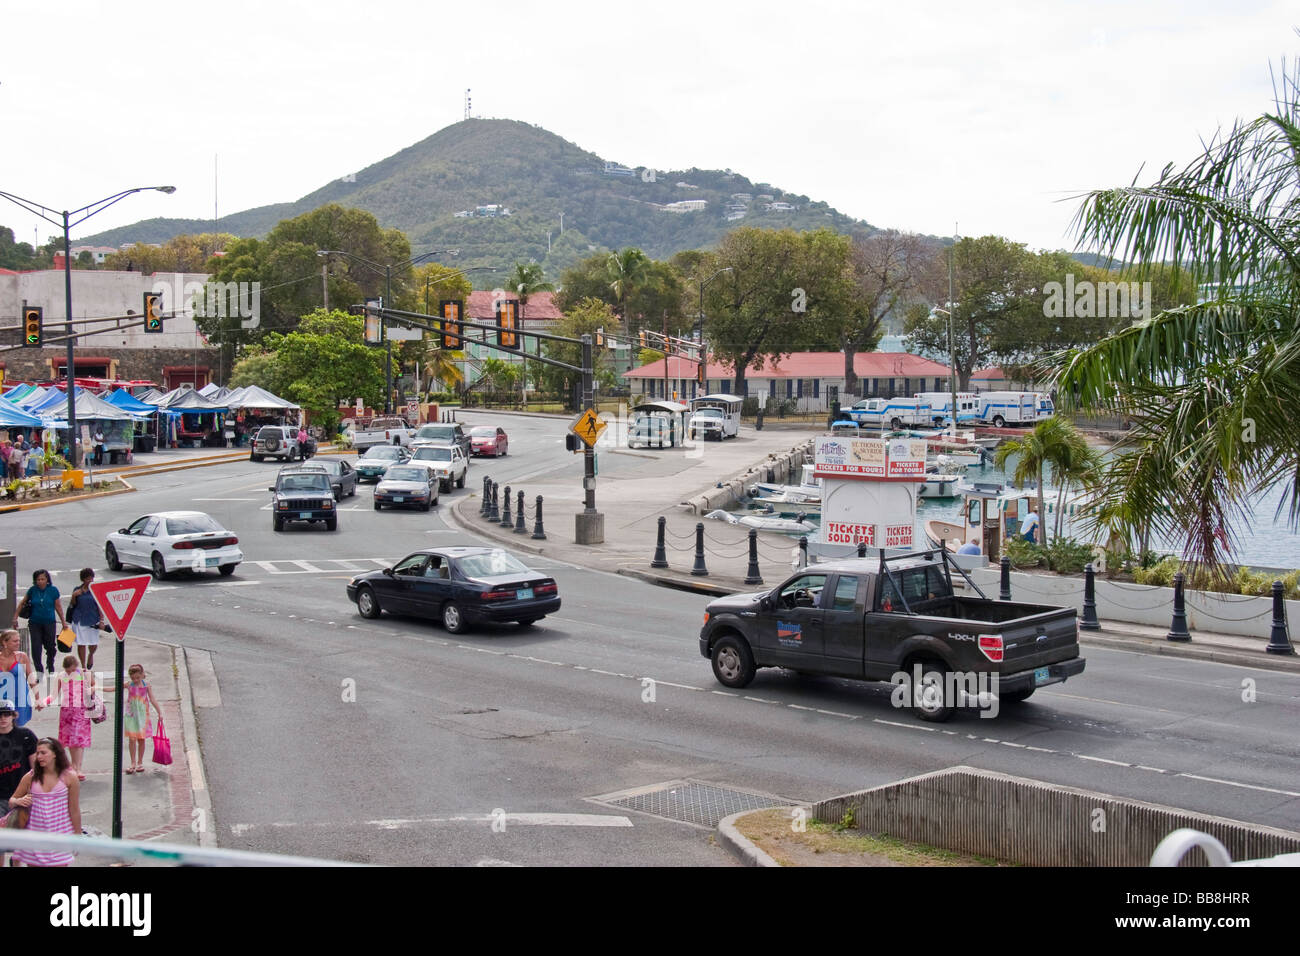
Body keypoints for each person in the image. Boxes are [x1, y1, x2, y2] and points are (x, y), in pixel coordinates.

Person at [7, 737, 80, 867]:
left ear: (55, 754)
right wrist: (19, 801)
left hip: (60, 835)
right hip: (34, 837)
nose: (39, 756)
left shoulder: (70, 777)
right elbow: (12, 801)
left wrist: (78, 835)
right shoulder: (30, 776)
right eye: (38, 753)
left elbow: (74, 810)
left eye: (43, 753)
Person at [14, 569, 66, 678]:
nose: (40, 581)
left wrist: (63, 622)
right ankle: (39, 671)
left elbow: (58, 607)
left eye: (42, 579)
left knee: (51, 646)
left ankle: (50, 663)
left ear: (47, 579)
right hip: (35, 623)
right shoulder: (32, 590)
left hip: (49, 623)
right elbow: (22, 604)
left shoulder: (53, 590)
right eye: (38, 579)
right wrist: (15, 618)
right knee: (36, 648)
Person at [56, 656, 95, 781]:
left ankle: (77, 767)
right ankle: (75, 766)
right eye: (67, 671)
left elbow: (94, 687)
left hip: (81, 710)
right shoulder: (61, 676)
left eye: (71, 670)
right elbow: (54, 694)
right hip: (67, 711)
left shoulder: (85, 673)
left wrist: (89, 690)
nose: (69, 673)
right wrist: (42, 702)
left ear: (76, 666)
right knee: (70, 740)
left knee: (79, 739)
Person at [122, 664, 161, 775]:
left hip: (143, 715)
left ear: (142, 675)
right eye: (133, 678)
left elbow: (152, 699)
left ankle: (140, 762)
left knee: (141, 739)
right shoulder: (129, 684)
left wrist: (159, 712)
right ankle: (133, 762)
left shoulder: (146, 686)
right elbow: (115, 687)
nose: (135, 680)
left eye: (137, 678)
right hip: (131, 715)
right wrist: (98, 688)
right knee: (132, 739)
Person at [0, 630, 42, 727]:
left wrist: (38, 698)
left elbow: (31, 678)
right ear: (4, 642)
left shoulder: (22, 656)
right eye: (15, 641)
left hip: (20, 699)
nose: (18, 643)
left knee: (17, 728)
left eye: (19, 641)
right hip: (2, 698)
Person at [68, 568, 106, 669]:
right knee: (81, 643)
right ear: (83, 579)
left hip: (92, 619)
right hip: (79, 619)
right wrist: (74, 596)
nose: (90, 581)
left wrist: (102, 620)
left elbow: (100, 606)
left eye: (91, 578)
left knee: (93, 643)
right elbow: (72, 605)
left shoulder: (95, 590)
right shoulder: (77, 590)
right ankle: (84, 666)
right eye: (87, 579)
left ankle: (91, 655)